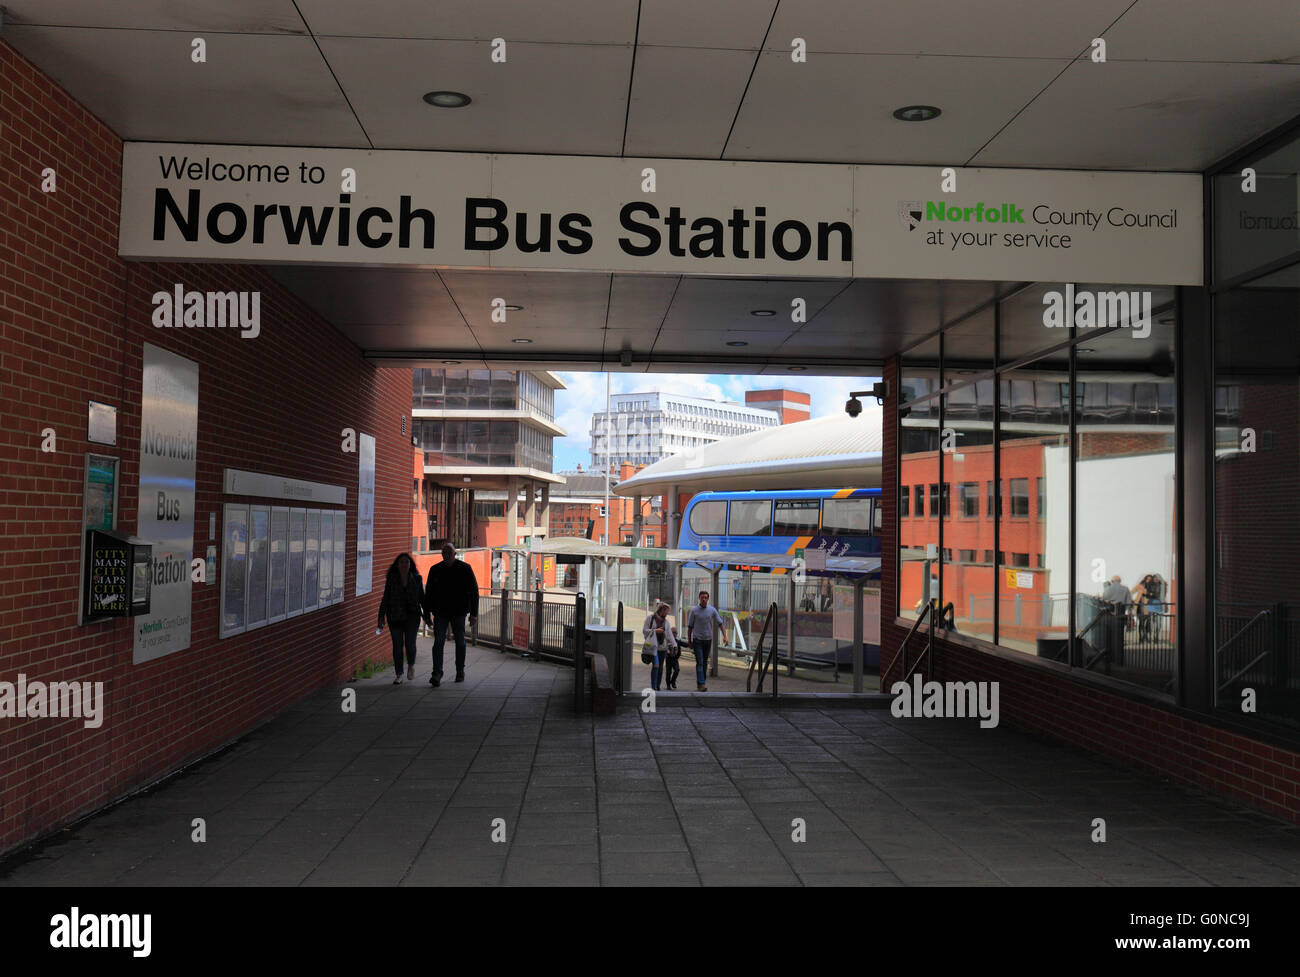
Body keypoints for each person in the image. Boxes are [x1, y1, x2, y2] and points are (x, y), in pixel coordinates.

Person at [422, 543, 479, 686]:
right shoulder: (435, 570)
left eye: (449, 553)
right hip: (440, 612)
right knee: (438, 642)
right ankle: (437, 674)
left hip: (458, 612)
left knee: (460, 642)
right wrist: (426, 614)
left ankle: (460, 671)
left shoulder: (465, 569)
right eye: (444, 553)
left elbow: (474, 592)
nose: (446, 556)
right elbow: (428, 594)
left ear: (455, 554)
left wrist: (474, 613)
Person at [377, 553, 424, 684]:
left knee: (410, 643)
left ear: (410, 565)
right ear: (397, 565)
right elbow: (385, 598)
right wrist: (381, 616)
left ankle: (410, 665)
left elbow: (422, 598)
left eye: (406, 562)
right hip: (395, 616)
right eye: (402, 562)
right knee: (397, 645)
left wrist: (427, 616)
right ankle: (399, 673)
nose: (404, 564)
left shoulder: (417, 579)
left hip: (412, 616)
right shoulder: (392, 579)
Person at [686, 590, 728, 693]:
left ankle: (701, 683)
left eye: (705, 597)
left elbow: (720, 623)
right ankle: (701, 684)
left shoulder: (712, 610)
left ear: (708, 599)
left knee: (704, 662)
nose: (704, 599)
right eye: (702, 597)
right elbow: (690, 626)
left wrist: (725, 636)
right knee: (700, 662)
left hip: (708, 640)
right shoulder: (694, 610)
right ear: (699, 598)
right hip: (697, 640)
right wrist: (689, 640)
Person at [642, 602, 676, 692]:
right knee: (656, 665)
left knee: (660, 666)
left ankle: (658, 685)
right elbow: (644, 631)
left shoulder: (666, 622)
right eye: (667, 611)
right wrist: (655, 631)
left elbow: (669, 635)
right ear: (662, 610)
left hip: (663, 647)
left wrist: (675, 645)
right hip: (653, 647)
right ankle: (653, 686)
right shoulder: (650, 618)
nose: (668, 614)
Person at [664, 624, 682, 690]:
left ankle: (673, 681)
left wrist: (690, 645)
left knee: (677, 670)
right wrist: (667, 650)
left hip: (675, 659)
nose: (674, 634)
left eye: (675, 633)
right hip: (668, 659)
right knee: (668, 672)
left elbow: (684, 644)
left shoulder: (677, 641)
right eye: (673, 633)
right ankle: (668, 685)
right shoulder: (668, 640)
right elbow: (664, 646)